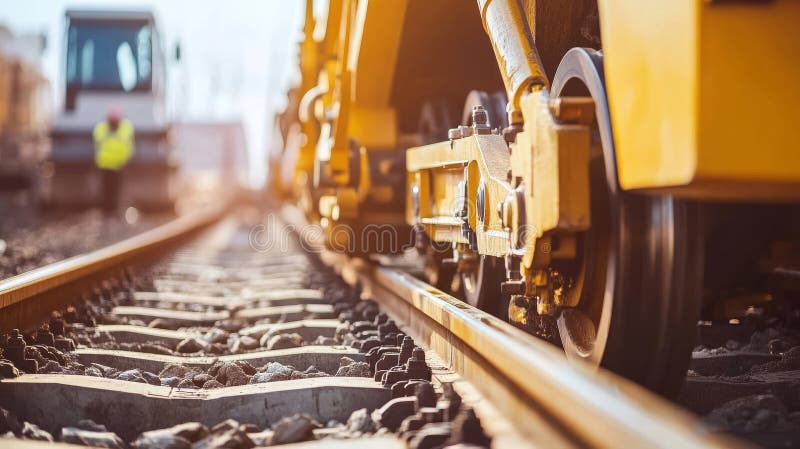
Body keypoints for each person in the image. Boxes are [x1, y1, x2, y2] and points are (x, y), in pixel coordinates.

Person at [93, 108, 134, 213]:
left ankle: (112, 210)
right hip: (106, 165)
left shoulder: (125, 128)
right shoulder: (101, 128)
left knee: (115, 190)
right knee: (107, 189)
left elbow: (129, 145)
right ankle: (108, 210)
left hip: (118, 165)